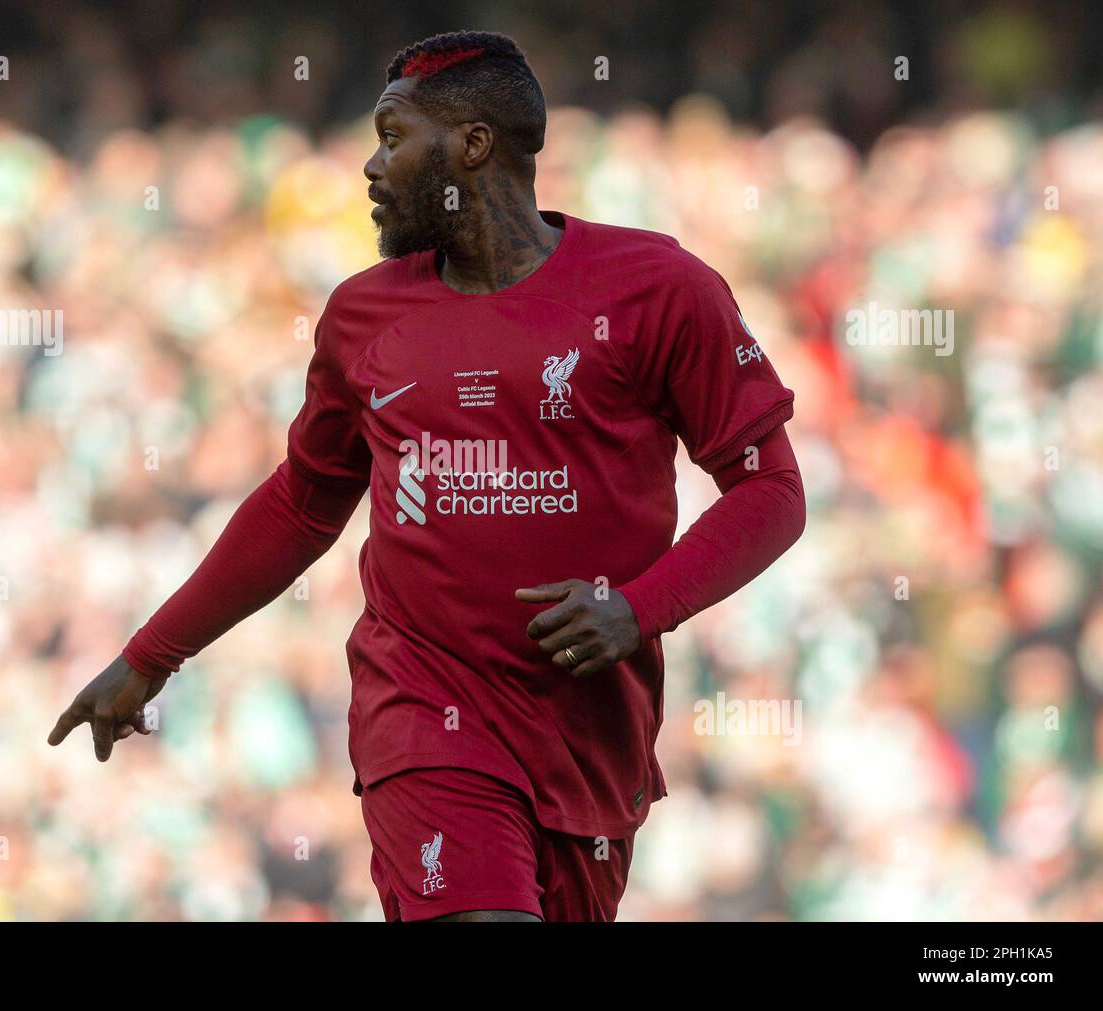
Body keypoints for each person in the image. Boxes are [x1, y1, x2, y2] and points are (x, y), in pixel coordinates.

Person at [49, 30, 806, 922]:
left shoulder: (657, 289)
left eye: (392, 137)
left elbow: (770, 493)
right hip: (424, 713)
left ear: (472, 146)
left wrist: (637, 610)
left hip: (591, 740)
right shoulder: (365, 316)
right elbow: (302, 503)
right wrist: (150, 655)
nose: (370, 167)